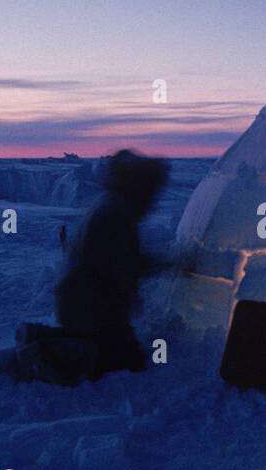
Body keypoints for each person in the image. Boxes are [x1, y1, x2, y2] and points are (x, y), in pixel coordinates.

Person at [15, 150, 170, 384]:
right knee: (128, 358)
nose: (154, 200)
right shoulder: (117, 214)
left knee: (121, 349)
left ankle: (42, 336)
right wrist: (165, 264)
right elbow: (123, 265)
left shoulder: (113, 206)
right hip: (89, 306)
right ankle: (47, 351)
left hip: (81, 302)